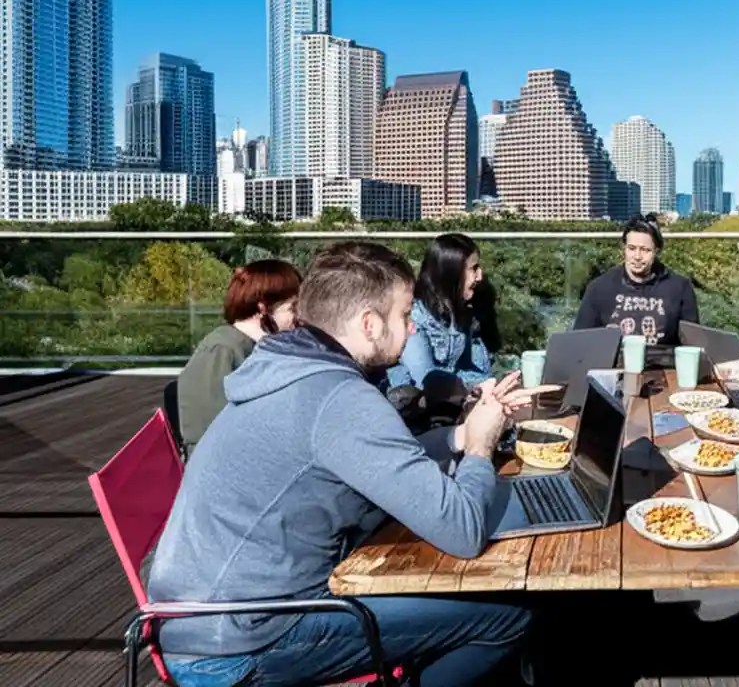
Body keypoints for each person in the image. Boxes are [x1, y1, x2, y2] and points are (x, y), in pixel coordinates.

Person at [147, 241, 536, 686]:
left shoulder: (287, 366)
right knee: (506, 615)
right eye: (404, 315)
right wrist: (482, 447)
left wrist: (459, 436)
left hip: (198, 619)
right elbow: (462, 531)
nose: (412, 328)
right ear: (369, 324)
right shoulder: (340, 398)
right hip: (242, 642)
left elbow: (380, 457)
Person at [176, 259, 301, 448]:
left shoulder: (256, 348)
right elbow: (208, 432)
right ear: (263, 308)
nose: (299, 317)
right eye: (292, 308)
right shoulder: (222, 350)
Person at [386, 233, 500, 391]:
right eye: (474, 268)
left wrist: (493, 382)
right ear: (451, 273)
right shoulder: (415, 317)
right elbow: (424, 380)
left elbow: (472, 367)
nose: (479, 276)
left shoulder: (459, 313)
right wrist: (481, 384)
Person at [573, 212, 699, 346]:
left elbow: (693, 345)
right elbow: (580, 343)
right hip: (614, 359)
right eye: (632, 248)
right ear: (624, 248)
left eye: (645, 250)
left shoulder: (680, 288)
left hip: (663, 359)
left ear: (656, 251)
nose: (637, 256)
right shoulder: (599, 288)